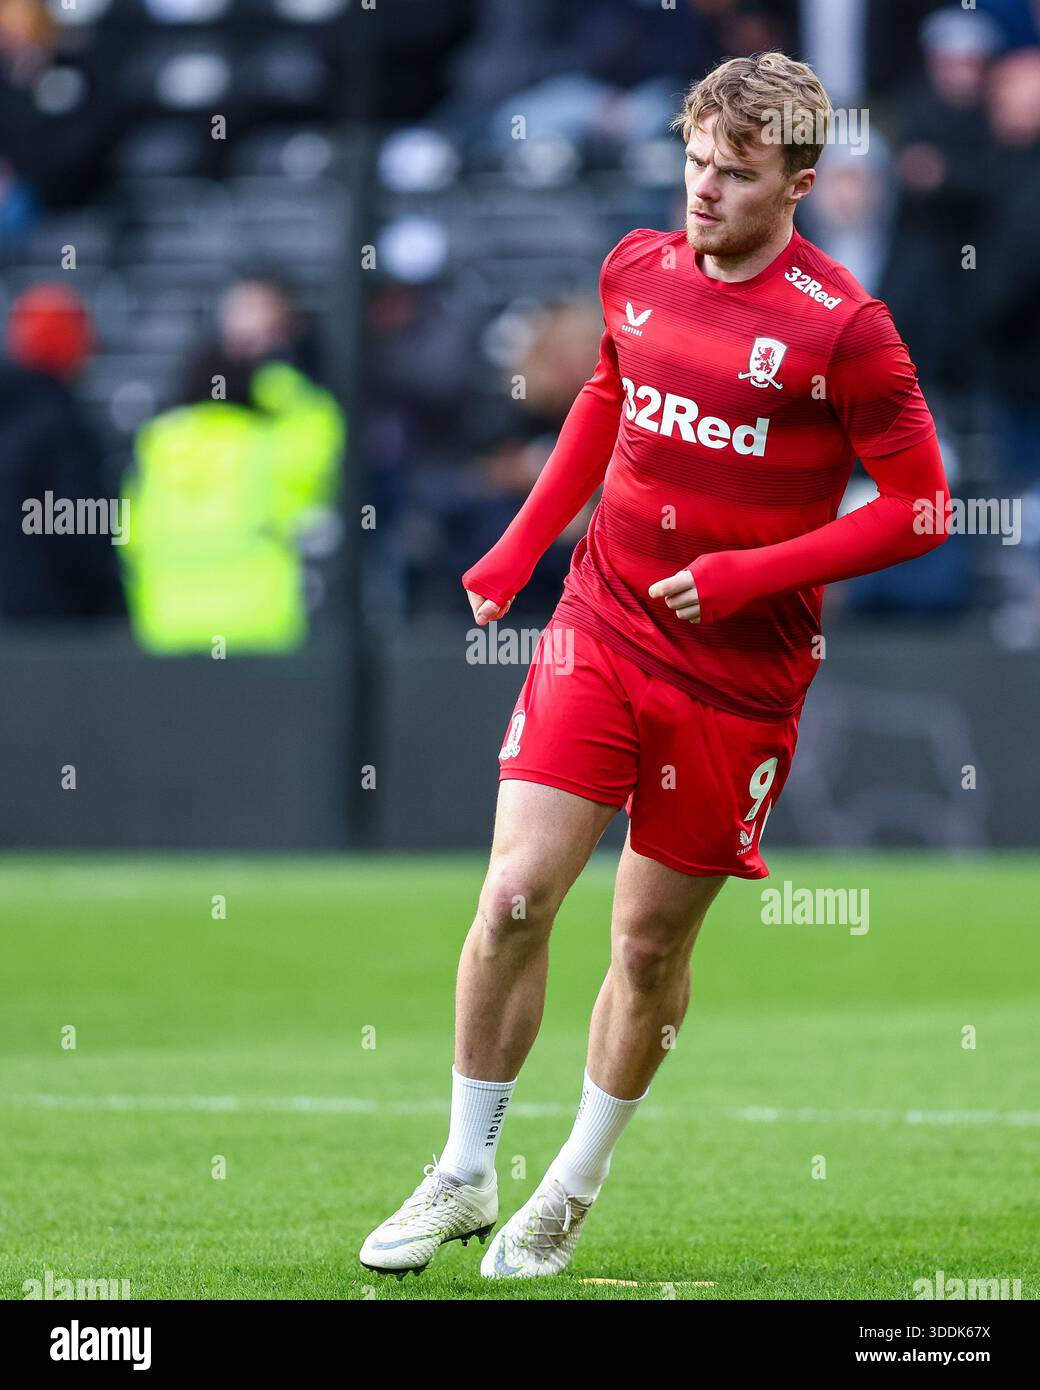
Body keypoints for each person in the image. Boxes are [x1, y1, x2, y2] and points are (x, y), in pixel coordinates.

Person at [360, 51, 950, 1281]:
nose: (701, 191)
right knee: (516, 895)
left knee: (643, 948)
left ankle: (570, 1184)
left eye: (732, 174)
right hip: (603, 623)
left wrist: (750, 573)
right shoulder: (634, 268)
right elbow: (607, 399)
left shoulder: (842, 329)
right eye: (691, 162)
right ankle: (465, 1170)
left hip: (735, 678)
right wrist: (520, 546)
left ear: (797, 180)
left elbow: (921, 509)